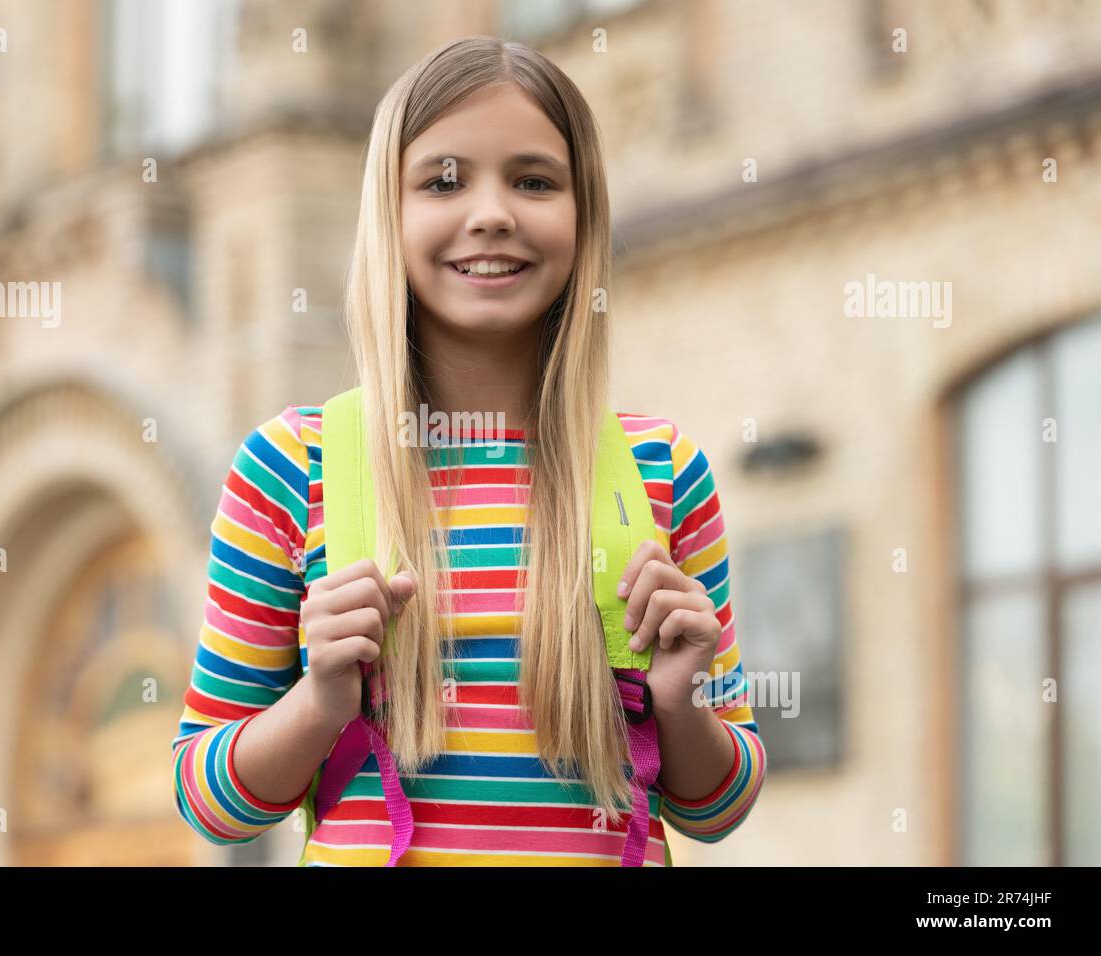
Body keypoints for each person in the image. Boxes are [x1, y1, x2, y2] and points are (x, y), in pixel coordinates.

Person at [171, 36, 766, 866]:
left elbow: (719, 809)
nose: (492, 212)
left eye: (534, 180)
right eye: (444, 181)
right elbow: (208, 804)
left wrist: (679, 703)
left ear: (583, 214)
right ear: (390, 214)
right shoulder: (289, 465)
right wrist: (319, 702)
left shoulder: (663, 470)